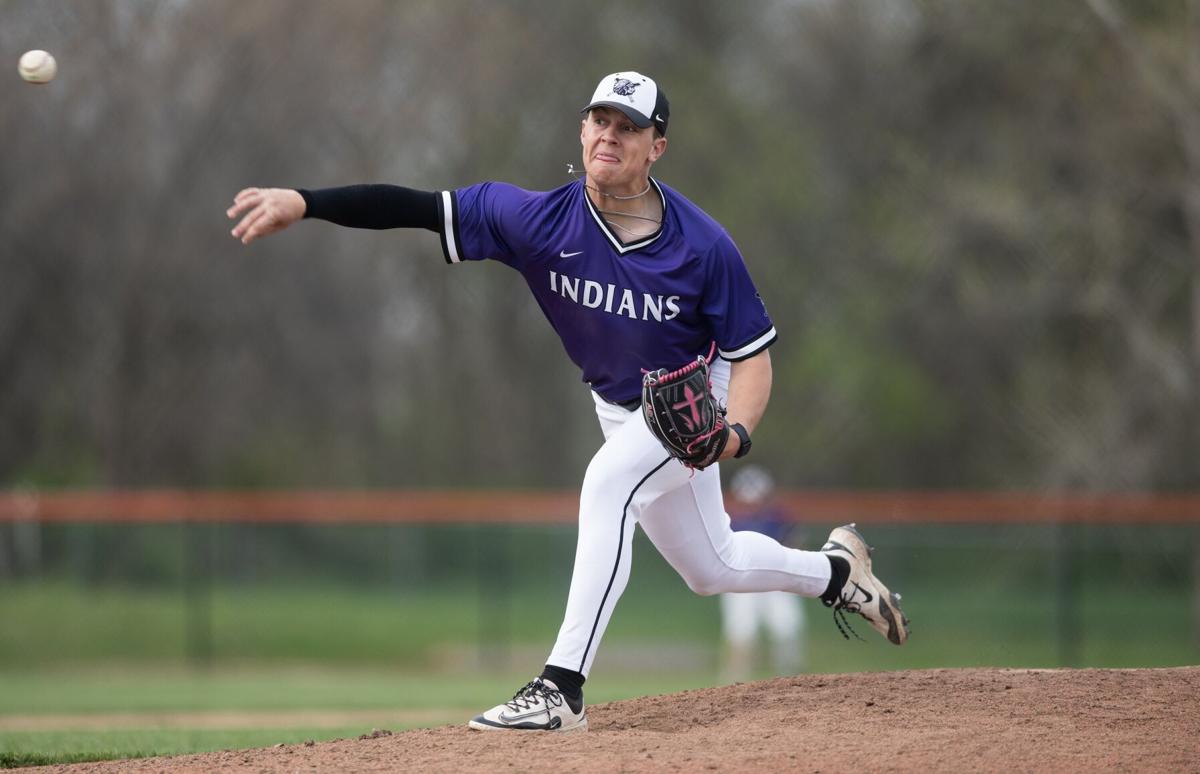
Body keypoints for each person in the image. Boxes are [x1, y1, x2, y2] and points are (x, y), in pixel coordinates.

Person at [227, 71, 909, 733]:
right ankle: (837, 573)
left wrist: (734, 435)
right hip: (620, 407)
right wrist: (306, 201)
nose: (609, 136)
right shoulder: (533, 218)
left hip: (693, 401)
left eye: (628, 127)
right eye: (600, 121)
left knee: (606, 483)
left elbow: (753, 357)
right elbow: (414, 206)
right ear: (582, 130)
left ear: (656, 147)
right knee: (713, 567)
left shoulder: (703, 245)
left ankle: (561, 688)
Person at [719, 465, 806, 682]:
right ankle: (735, 678)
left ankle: (790, 676)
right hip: (741, 581)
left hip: (775, 579)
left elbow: (793, 544)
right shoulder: (730, 518)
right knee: (741, 629)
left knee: (786, 626)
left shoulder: (777, 517)